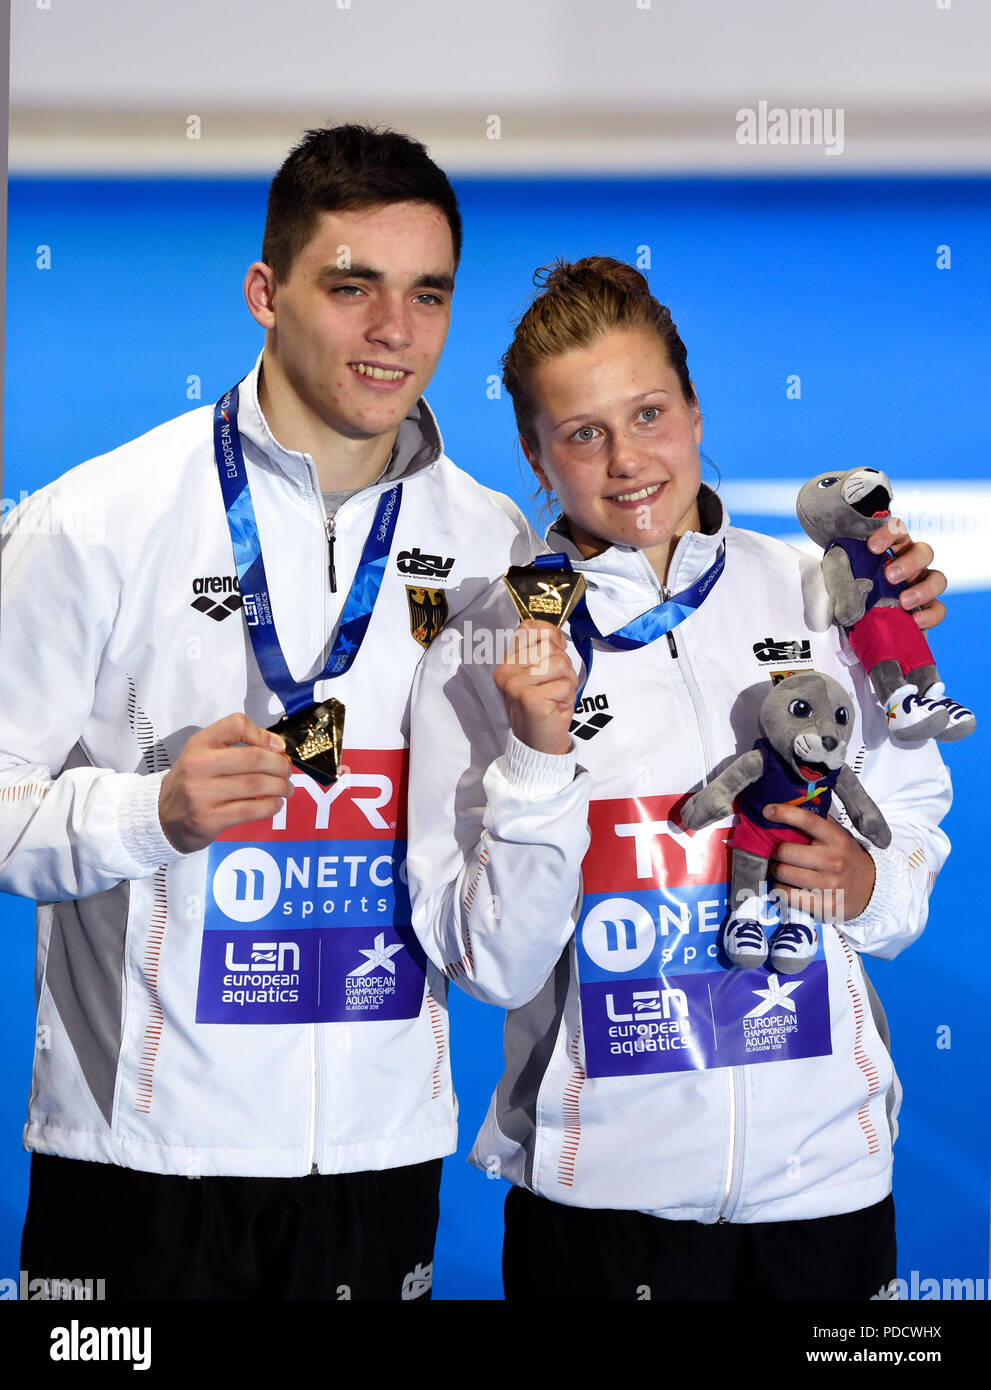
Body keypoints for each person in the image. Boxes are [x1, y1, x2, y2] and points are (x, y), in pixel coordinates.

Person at [0, 124, 536, 1300]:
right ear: (265, 292)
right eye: (352, 287)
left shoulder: (493, 542)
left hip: (377, 1158)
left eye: (427, 294)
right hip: (141, 1161)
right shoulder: (97, 519)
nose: (395, 331)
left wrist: (842, 590)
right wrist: (151, 814)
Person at [407, 257, 952, 1300]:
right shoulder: (481, 650)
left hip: (826, 1196)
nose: (626, 461)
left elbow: (915, 812)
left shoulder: (812, 594)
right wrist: (535, 758)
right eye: (582, 433)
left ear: (696, 411)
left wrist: (872, 884)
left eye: (649, 411)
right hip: (603, 1216)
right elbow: (494, 967)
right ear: (534, 453)